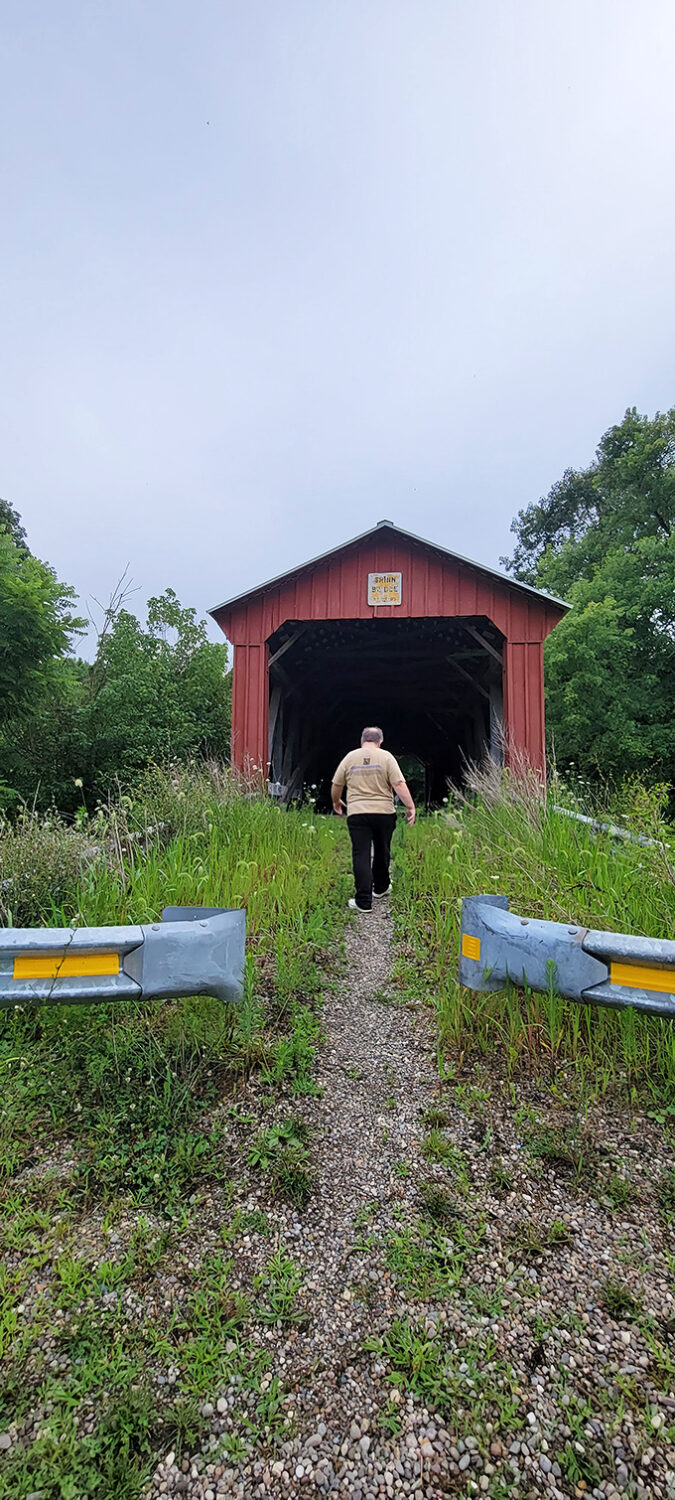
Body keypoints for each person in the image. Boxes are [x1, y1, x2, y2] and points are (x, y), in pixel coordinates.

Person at [331, 727, 416, 912]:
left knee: (361, 853)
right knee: (382, 849)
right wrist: (410, 806)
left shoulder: (350, 757)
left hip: (358, 813)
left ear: (362, 740)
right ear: (380, 741)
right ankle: (381, 888)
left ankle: (363, 902)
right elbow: (398, 784)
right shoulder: (386, 757)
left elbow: (337, 784)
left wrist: (336, 802)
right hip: (384, 813)